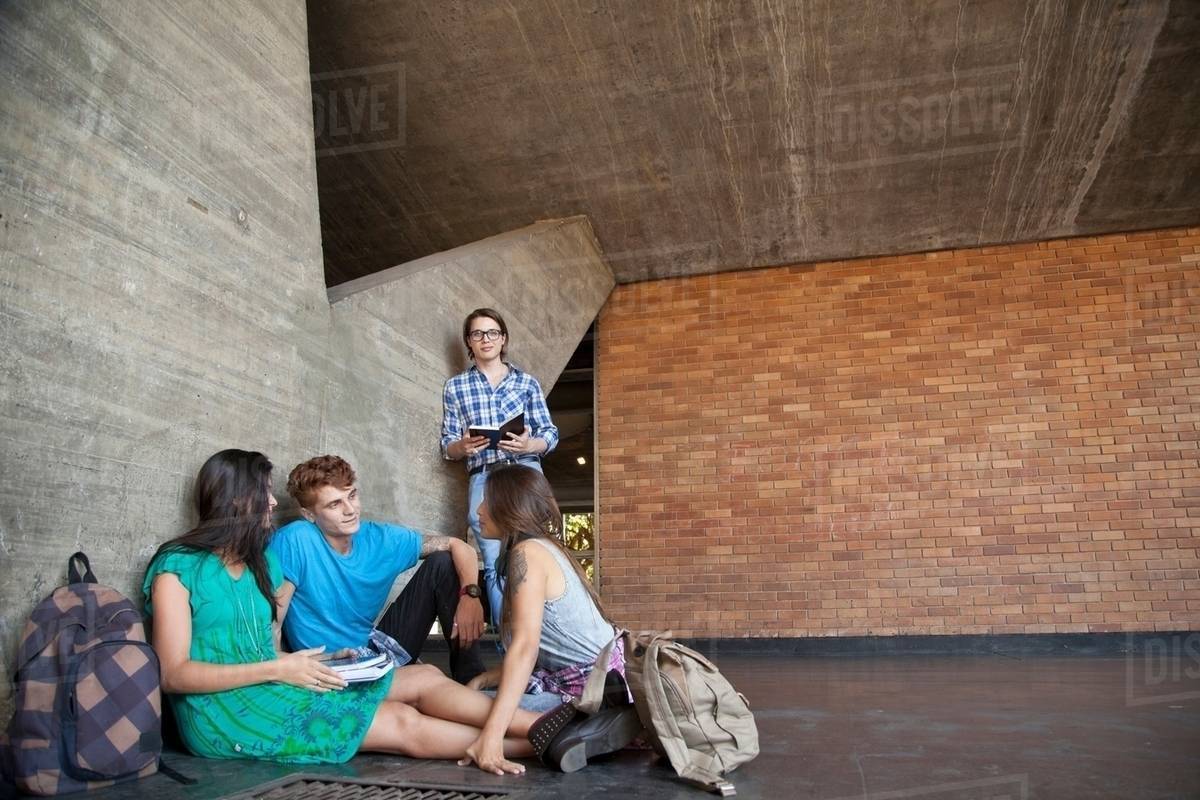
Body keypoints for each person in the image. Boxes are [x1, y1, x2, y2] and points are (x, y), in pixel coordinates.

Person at [144, 449, 540, 769]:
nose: (270, 501)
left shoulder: (255, 565)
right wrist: (280, 667)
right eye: (262, 491)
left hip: (276, 679)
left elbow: (265, 645)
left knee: (423, 678)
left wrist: (311, 659)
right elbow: (173, 674)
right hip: (226, 712)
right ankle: (538, 744)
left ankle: (543, 726)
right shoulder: (178, 567)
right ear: (235, 499)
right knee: (402, 721)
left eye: (351, 496)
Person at [458, 464, 641, 775]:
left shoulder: (526, 554)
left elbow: (526, 647)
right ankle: (561, 739)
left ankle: (562, 734)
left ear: (509, 505)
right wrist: (488, 677)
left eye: (486, 500)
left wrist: (492, 735)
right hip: (606, 688)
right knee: (452, 697)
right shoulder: (546, 549)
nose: (478, 510)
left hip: (587, 698)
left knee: (435, 694)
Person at [268, 455, 486, 684]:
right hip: (327, 667)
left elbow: (458, 545)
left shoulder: (379, 539)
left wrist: (470, 596)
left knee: (442, 562)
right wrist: (281, 675)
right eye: (335, 504)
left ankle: (472, 680)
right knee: (428, 680)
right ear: (309, 514)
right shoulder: (296, 540)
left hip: (374, 653)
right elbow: (271, 626)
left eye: (352, 495)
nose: (350, 510)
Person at [441, 308, 559, 631]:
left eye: (492, 332)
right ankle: (511, 646)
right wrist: (461, 447)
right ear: (469, 341)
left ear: (503, 338)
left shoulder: (526, 383)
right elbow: (447, 445)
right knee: (494, 564)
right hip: (484, 476)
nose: (486, 339)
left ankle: (544, 644)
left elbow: (550, 434)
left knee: (535, 555)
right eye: (478, 334)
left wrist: (528, 444)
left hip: (523, 471)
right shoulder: (455, 388)